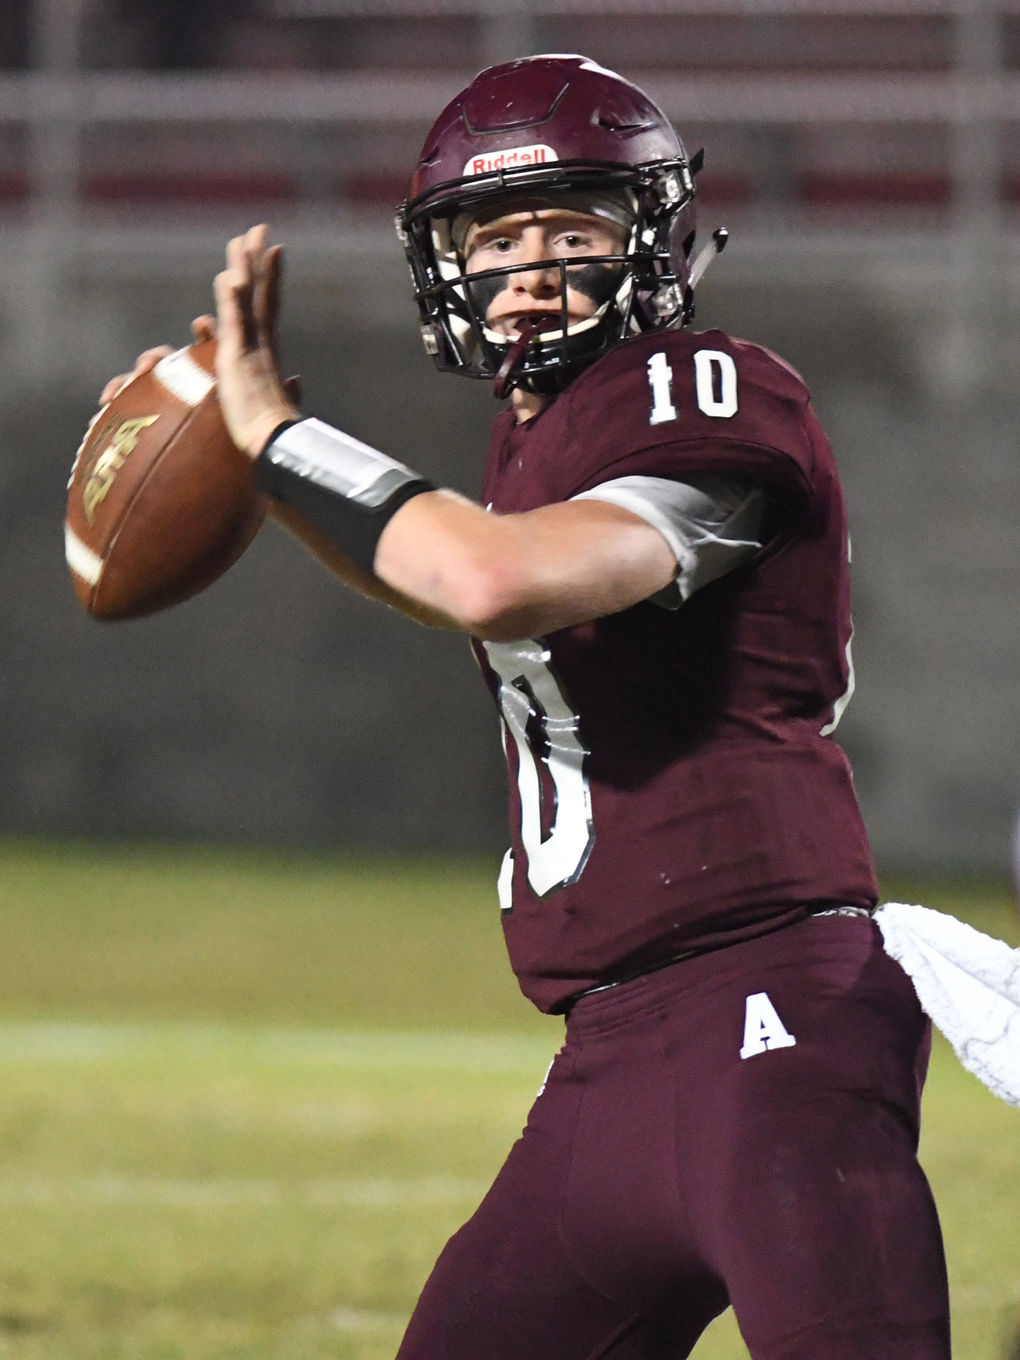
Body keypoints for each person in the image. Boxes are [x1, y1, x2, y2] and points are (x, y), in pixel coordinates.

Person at [107, 54, 952, 1360]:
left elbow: (492, 580)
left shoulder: (704, 391)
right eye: (497, 236)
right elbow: (454, 573)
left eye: (575, 227)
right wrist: (260, 470)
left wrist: (279, 438)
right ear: (445, 261)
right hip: (610, 1055)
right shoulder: (539, 436)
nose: (534, 267)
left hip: (772, 1021)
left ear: (655, 239)